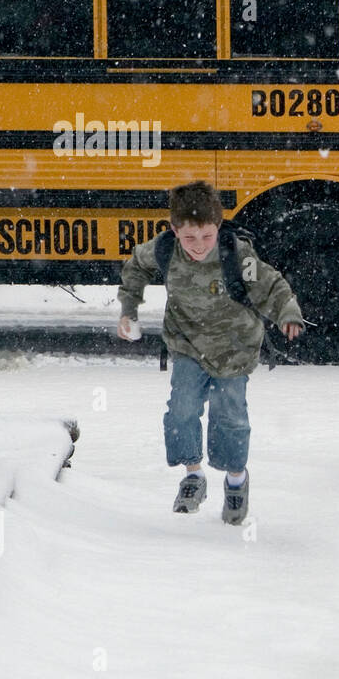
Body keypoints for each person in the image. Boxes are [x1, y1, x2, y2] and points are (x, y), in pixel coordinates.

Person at [116, 181, 304, 523]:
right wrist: (129, 308)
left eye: (206, 236)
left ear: (217, 227)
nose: (199, 245)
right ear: (175, 230)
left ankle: (236, 480)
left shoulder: (236, 253)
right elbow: (136, 267)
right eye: (189, 238)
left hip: (235, 348)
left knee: (229, 416)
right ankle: (193, 475)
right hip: (187, 344)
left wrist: (287, 312)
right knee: (181, 409)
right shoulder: (163, 249)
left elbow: (270, 283)